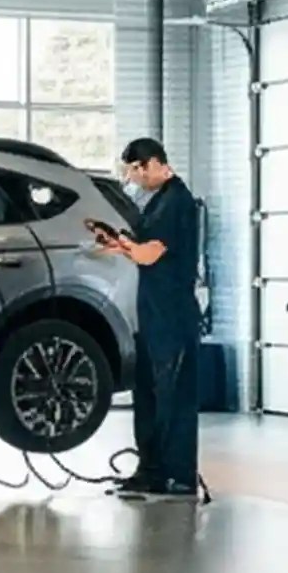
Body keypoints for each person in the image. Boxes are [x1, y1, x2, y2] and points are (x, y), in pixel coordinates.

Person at [99, 137, 201, 499]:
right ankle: (152, 470)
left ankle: (179, 476)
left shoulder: (176, 203)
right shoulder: (157, 202)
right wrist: (119, 244)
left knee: (172, 398)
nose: (133, 179)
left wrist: (125, 247)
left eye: (135, 171)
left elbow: (150, 254)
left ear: (151, 163)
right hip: (153, 317)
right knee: (149, 395)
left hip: (173, 319)